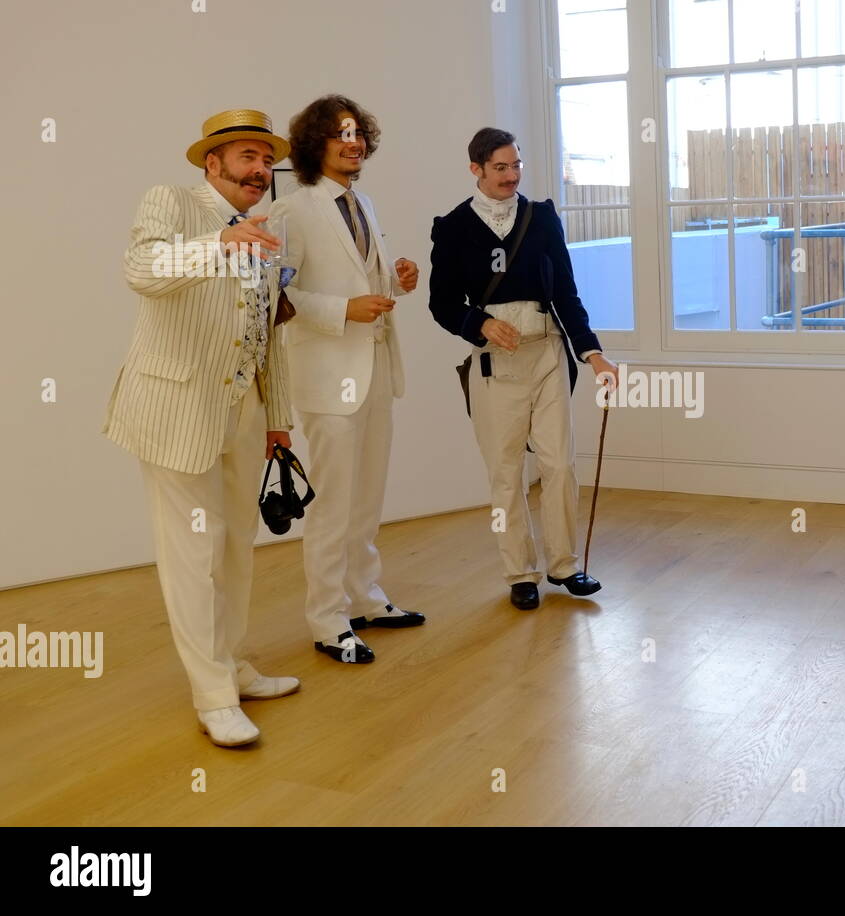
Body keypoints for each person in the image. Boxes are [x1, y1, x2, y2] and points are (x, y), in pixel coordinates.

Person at [103, 109, 299, 747]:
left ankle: (233, 665)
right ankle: (211, 694)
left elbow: (270, 329)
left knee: (234, 547)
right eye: (247, 157)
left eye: (267, 160)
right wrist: (220, 241)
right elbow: (143, 270)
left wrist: (278, 419)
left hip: (243, 410)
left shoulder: (267, 230)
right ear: (211, 163)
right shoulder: (171, 203)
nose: (259, 170)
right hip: (174, 411)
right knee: (192, 555)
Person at [428, 127, 618, 610]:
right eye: (500, 168)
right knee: (506, 471)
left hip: (548, 354)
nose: (512, 176)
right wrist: (481, 325)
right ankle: (519, 572)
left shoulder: (542, 220)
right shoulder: (451, 228)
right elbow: (442, 304)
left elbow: (566, 294)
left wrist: (592, 354)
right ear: (476, 169)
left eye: (517, 167)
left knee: (558, 462)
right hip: (495, 363)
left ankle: (565, 566)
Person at [274, 95, 424, 663]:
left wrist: (402, 277)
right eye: (340, 132)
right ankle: (328, 618)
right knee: (335, 504)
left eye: (358, 131)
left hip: (378, 370)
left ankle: (366, 596)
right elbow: (279, 294)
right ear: (317, 143)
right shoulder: (293, 210)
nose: (353, 140)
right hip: (328, 375)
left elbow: (372, 280)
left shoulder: (366, 204)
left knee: (367, 497)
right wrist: (342, 310)